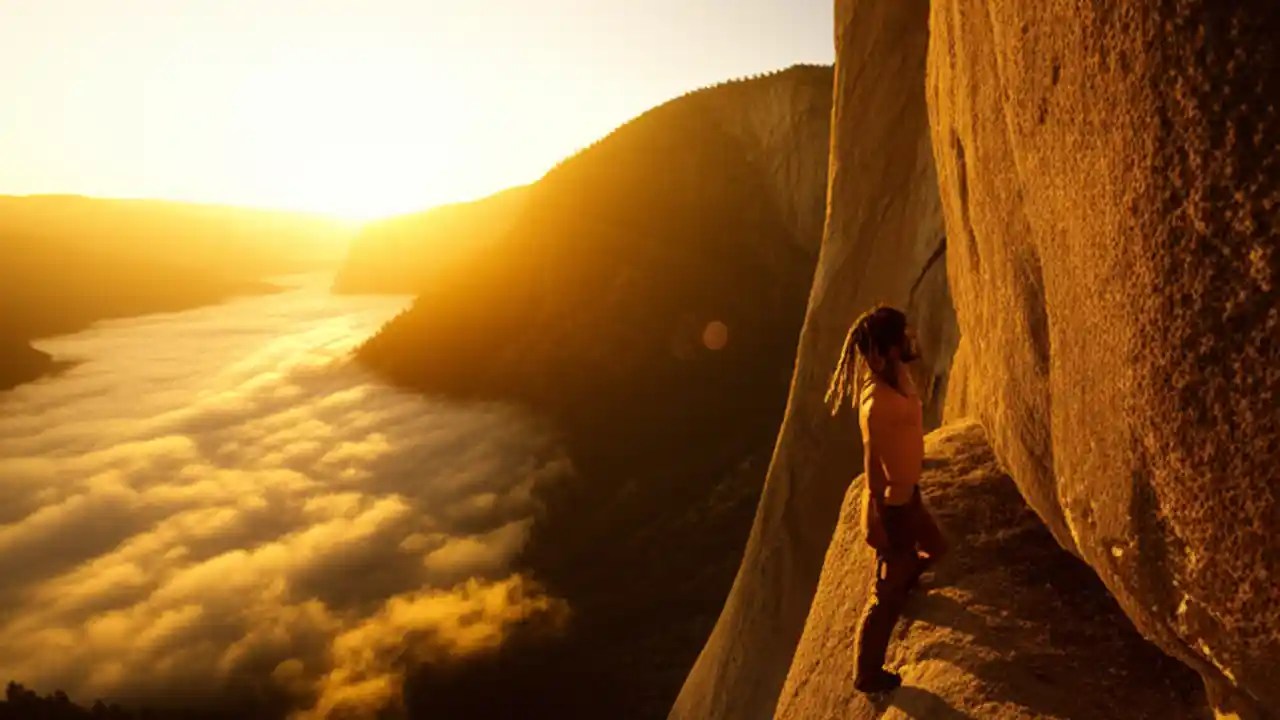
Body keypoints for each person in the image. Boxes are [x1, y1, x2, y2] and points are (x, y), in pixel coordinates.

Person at [826, 304, 947, 694]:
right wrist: (874, 514)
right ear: (889, 348)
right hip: (895, 507)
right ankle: (867, 672)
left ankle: (907, 570)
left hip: (911, 497)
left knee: (938, 549)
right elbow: (872, 467)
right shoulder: (875, 402)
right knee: (884, 595)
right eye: (903, 336)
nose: (911, 338)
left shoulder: (899, 377)